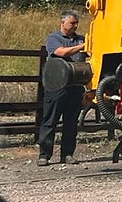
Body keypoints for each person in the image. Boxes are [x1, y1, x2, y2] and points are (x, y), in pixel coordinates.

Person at [37, 11, 86, 166]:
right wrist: (83, 46)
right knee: (50, 120)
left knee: (71, 122)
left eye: (76, 23)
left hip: (75, 86)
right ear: (63, 22)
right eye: (72, 22)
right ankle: (44, 155)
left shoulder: (80, 39)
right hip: (57, 86)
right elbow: (61, 52)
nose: (75, 26)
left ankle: (68, 154)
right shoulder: (53, 39)